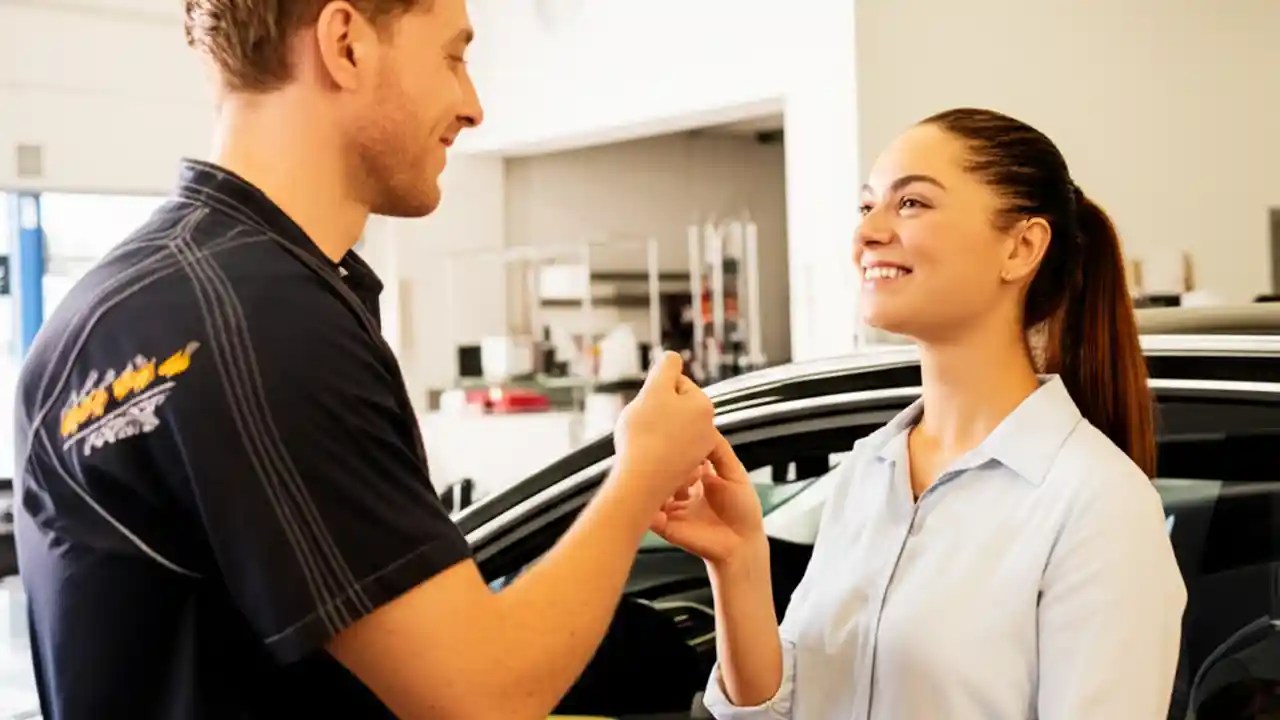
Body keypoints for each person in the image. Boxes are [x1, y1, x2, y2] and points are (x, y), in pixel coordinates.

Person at [14, 1, 720, 717]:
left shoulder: (114, 306)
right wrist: (642, 473)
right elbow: (485, 693)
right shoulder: (260, 321)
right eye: (453, 57)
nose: (473, 107)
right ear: (346, 44)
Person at [651, 108, 1188, 719]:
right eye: (866, 207)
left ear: (1021, 246)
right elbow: (782, 711)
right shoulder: (866, 472)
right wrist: (738, 561)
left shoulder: (1096, 503)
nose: (869, 233)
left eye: (911, 204)